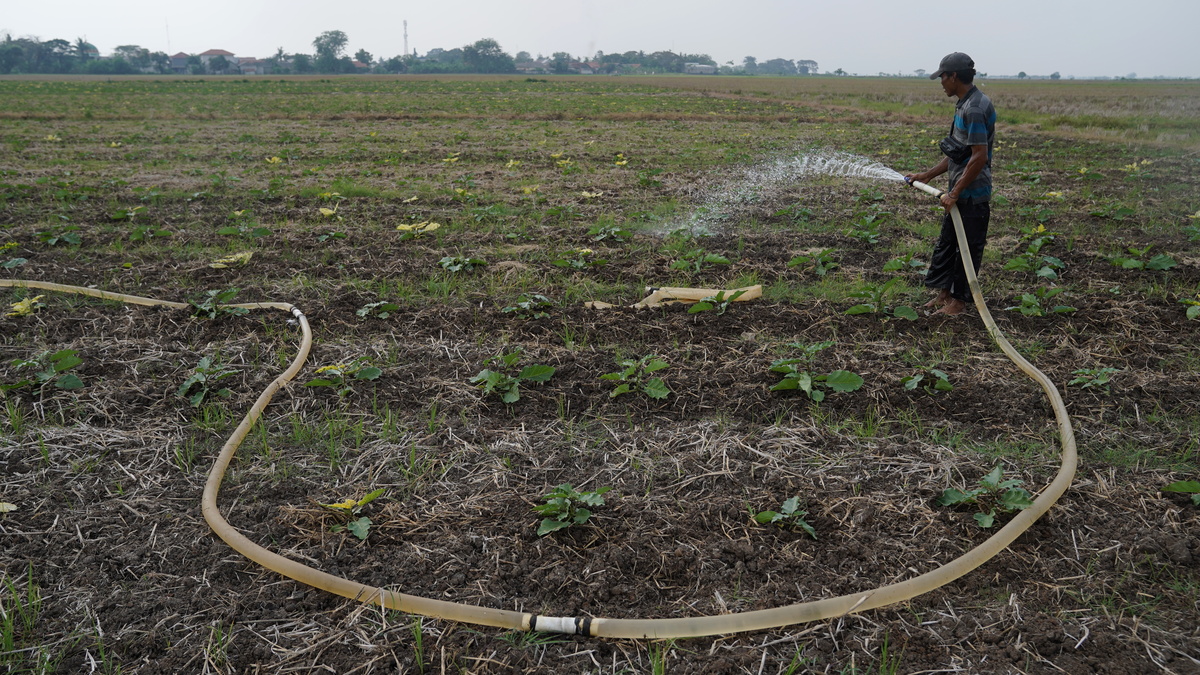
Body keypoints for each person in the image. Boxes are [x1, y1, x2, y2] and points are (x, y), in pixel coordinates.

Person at [906, 52, 996, 316]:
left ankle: (959, 303)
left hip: (972, 193)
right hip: (958, 191)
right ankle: (945, 294)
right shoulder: (963, 104)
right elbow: (959, 153)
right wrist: (928, 175)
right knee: (948, 244)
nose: (941, 82)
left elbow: (979, 157)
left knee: (967, 250)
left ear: (953, 76)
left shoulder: (976, 108)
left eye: (942, 76)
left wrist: (955, 192)